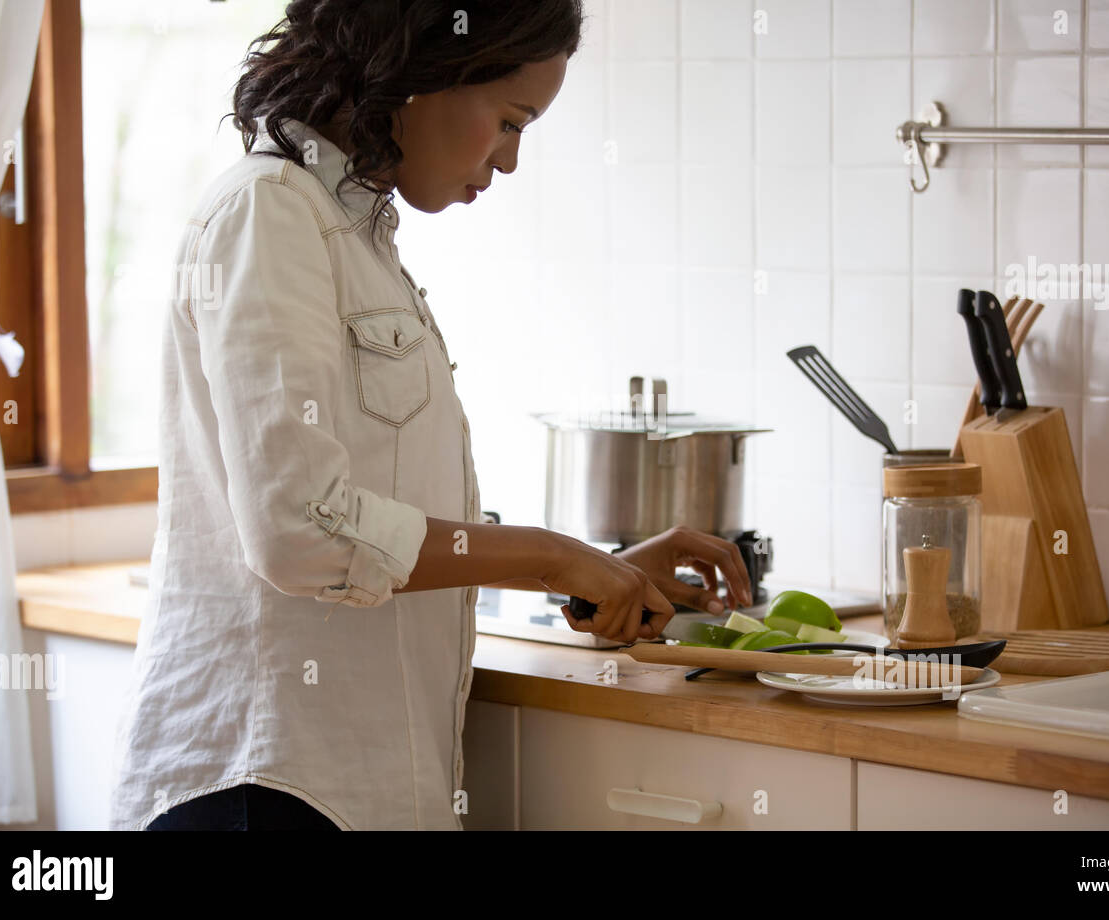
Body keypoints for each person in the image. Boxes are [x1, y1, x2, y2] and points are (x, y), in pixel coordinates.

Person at [108, 0, 752, 831]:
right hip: (262, 789)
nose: (511, 160)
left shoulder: (354, 234)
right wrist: (554, 559)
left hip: (336, 790)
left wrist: (599, 564)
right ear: (426, 69)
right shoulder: (270, 212)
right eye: (513, 120)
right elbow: (302, 530)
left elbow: (383, 517)